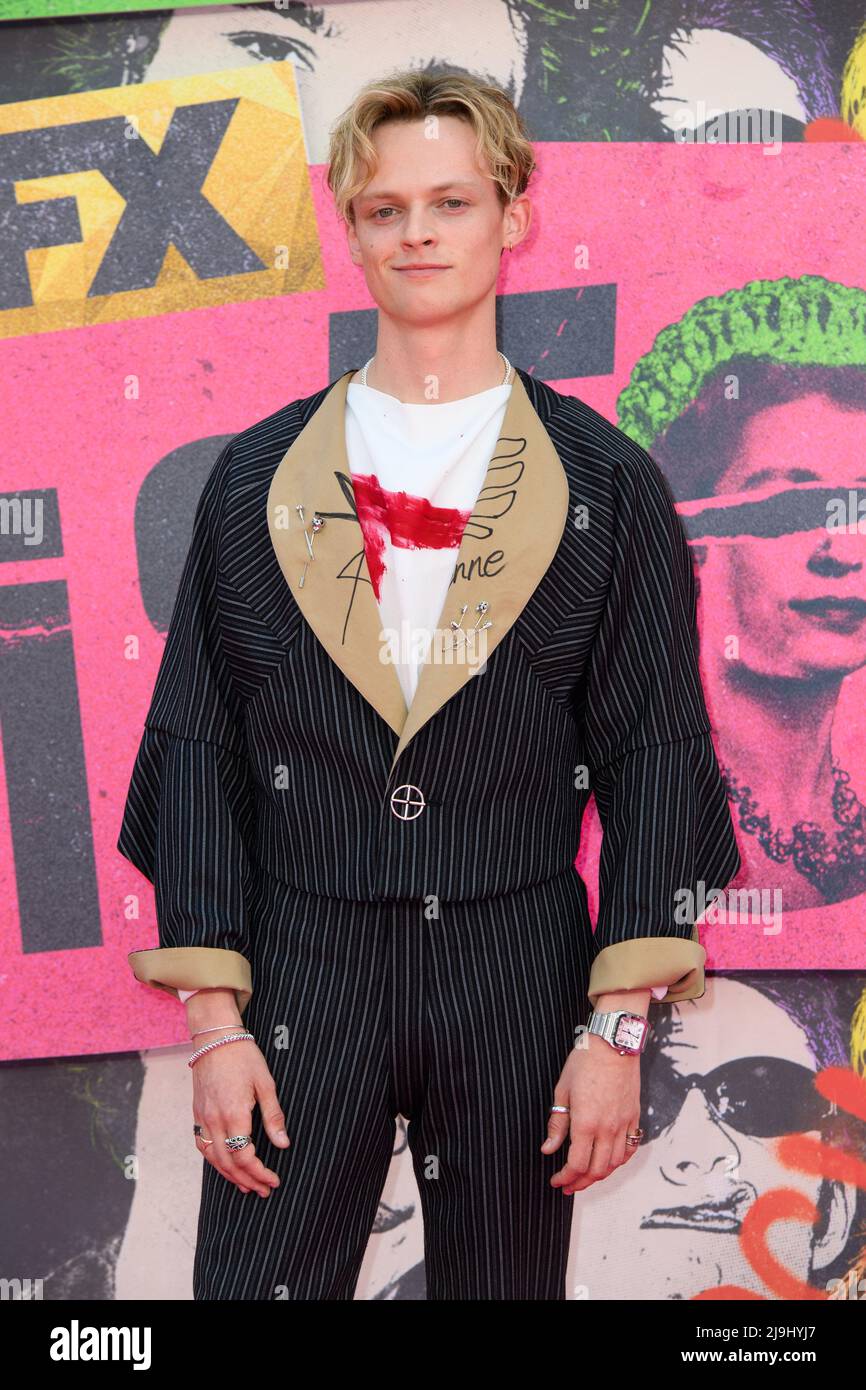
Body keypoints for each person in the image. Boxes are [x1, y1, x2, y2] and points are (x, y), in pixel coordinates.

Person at [117, 68, 740, 1301]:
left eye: (450, 201)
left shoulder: (607, 485)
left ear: (510, 216)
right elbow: (196, 744)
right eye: (385, 207)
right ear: (347, 228)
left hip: (513, 959)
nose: (417, 233)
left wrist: (614, 1030)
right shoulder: (252, 480)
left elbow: (654, 750)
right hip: (302, 959)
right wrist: (216, 1026)